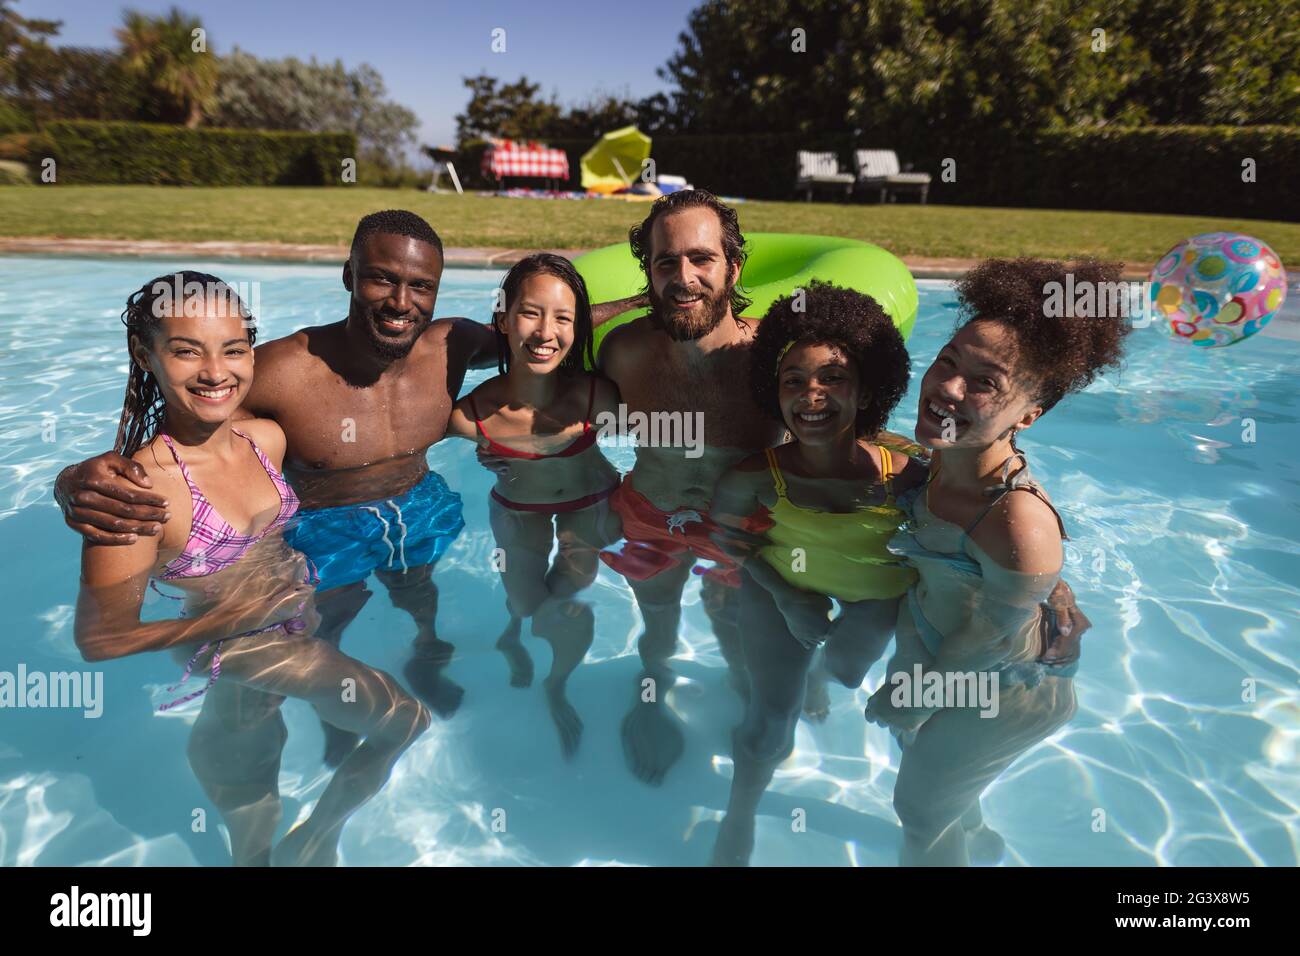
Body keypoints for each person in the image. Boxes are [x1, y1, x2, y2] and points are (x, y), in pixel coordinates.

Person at [53, 210, 643, 765]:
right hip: (326, 524)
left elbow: (537, 328)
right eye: (382, 280)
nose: (401, 303)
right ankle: (336, 713)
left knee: (419, 593)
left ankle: (427, 652)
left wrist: (642, 302)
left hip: (416, 503)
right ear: (348, 276)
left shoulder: (451, 344)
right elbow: (191, 427)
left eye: (420, 287)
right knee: (325, 621)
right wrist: (74, 479)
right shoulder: (280, 370)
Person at [74, 272, 429, 866]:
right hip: (235, 648)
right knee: (405, 720)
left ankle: (283, 844)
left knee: (256, 766)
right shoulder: (139, 490)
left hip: (270, 657)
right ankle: (318, 838)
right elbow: (101, 639)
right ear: (146, 353)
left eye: (234, 349)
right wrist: (234, 617)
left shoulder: (264, 438)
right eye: (187, 350)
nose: (216, 372)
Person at [865, 257, 1128, 866]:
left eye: (985, 382)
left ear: (1030, 414)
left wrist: (915, 694)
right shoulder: (932, 465)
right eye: (949, 360)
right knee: (941, 792)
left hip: (1005, 691)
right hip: (944, 657)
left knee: (920, 811)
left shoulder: (1015, 520)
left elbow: (991, 637)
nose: (948, 388)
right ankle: (980, 847)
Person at [707, 283, 923, 864]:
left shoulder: (908, 473)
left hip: (875, 591)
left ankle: (822, 679)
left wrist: (1051, 587)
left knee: (849, 674)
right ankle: (740, 815)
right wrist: (784, 596)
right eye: (793, 381)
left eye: (834, 378)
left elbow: (989, 509)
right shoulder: (754, 476)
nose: (812, 394)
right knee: (769, 717)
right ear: (774, 394)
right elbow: (726, 538)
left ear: (868, 389)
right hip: (783, 584)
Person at [446, 254, 622, 756]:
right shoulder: (470, 416)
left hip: (588, 506)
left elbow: (666, 442)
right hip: (517, 506)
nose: (546, 332)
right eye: (530, 313)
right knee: (526, 603)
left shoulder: (598, 398)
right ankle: (512, 630)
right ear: (501, 319)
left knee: (565, 602)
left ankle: (557, 683)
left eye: (563, 318)